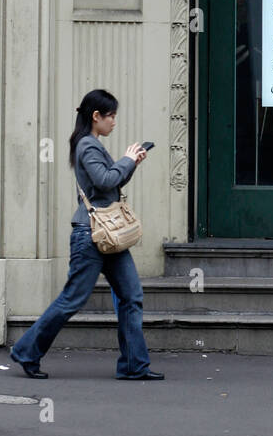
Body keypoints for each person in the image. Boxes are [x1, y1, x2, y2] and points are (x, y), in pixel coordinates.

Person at [9, 89, 163, 381]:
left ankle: (134, 365)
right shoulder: (87, 146)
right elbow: (105, 179)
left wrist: (133, 162)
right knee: (73, 299)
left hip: (108, 235)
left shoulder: (92, 144)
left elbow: (108, 186)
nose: (114, 122)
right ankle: (27, 351)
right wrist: (127, 160)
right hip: (91, 235)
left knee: (131, 296)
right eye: (111, 116)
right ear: (96, 117)